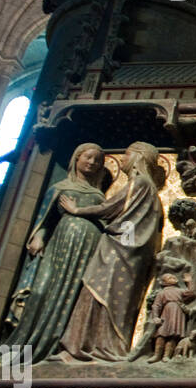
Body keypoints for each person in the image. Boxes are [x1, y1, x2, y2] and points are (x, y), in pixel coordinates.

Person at [57, 142, 165, 362]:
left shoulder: (141, 183)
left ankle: (97, 347)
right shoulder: (148, 187)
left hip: (120, 251)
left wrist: (77, 210)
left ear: (138, 158)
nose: (123, 160)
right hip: (128, 250)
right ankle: (88, 346)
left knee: (103, 295)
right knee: (107, 296)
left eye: (126, 155)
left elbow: (110, 208)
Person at [7, 143, 112, 362]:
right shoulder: (60, 187)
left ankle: (57, 346)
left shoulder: (99, 195)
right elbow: (46, 219)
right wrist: (39, 235)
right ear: (77, 158)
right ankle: (26, 346)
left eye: (97, 161)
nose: (92, 163)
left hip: (88, 248)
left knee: (74, 297)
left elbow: (107, 222)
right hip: (61, 245)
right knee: (42, 290)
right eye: (88, 157)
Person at [148, 272, 195, 363]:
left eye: (173, 276)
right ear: (164, 282)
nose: (173, 277)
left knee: (173, 335)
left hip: (177, 313)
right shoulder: (162, 293)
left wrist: (189, 282)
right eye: (170, 278)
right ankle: (156, 355)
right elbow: (156, 305)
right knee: (161, 333)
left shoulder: (179, 290)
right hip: (166, 313)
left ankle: (167, 356)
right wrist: (155, 317)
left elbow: (191, 293)